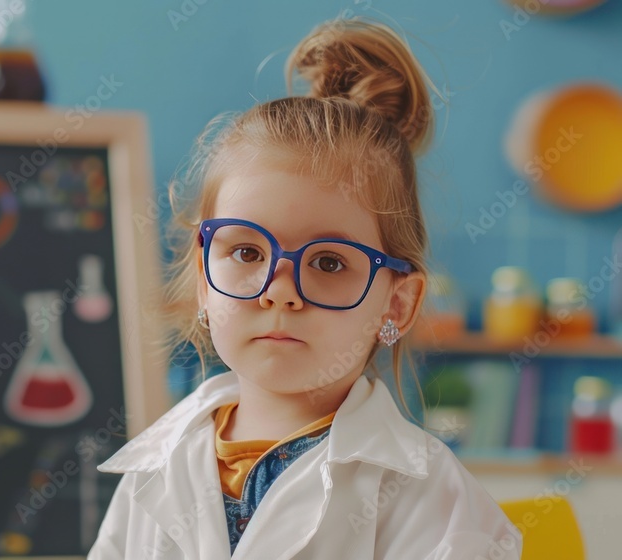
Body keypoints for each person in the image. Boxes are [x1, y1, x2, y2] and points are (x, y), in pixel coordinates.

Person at [88, 17, 522, 560]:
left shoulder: (435, 502)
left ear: (397, 303)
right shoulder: (154, 467)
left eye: (329, 262)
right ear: (204, 279)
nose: (280, 292)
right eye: (247, 253)